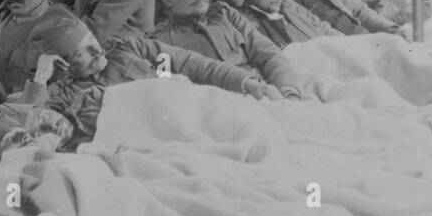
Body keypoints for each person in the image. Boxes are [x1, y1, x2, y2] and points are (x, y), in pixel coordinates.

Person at [19, 15, 282, 142]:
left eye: (92, 39)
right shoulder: (62, 95)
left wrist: (247, 82)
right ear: (64, 64)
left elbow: (193, 65)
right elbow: (31, 128)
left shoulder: (128, 49)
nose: (97, 50)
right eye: (82, 52)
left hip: (194, 115)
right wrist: (41, 79)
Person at [149, 0, 303, 97]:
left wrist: (287, 89)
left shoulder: (225, 14)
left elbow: (267, 53)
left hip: (269, 91)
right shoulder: (160, 41)